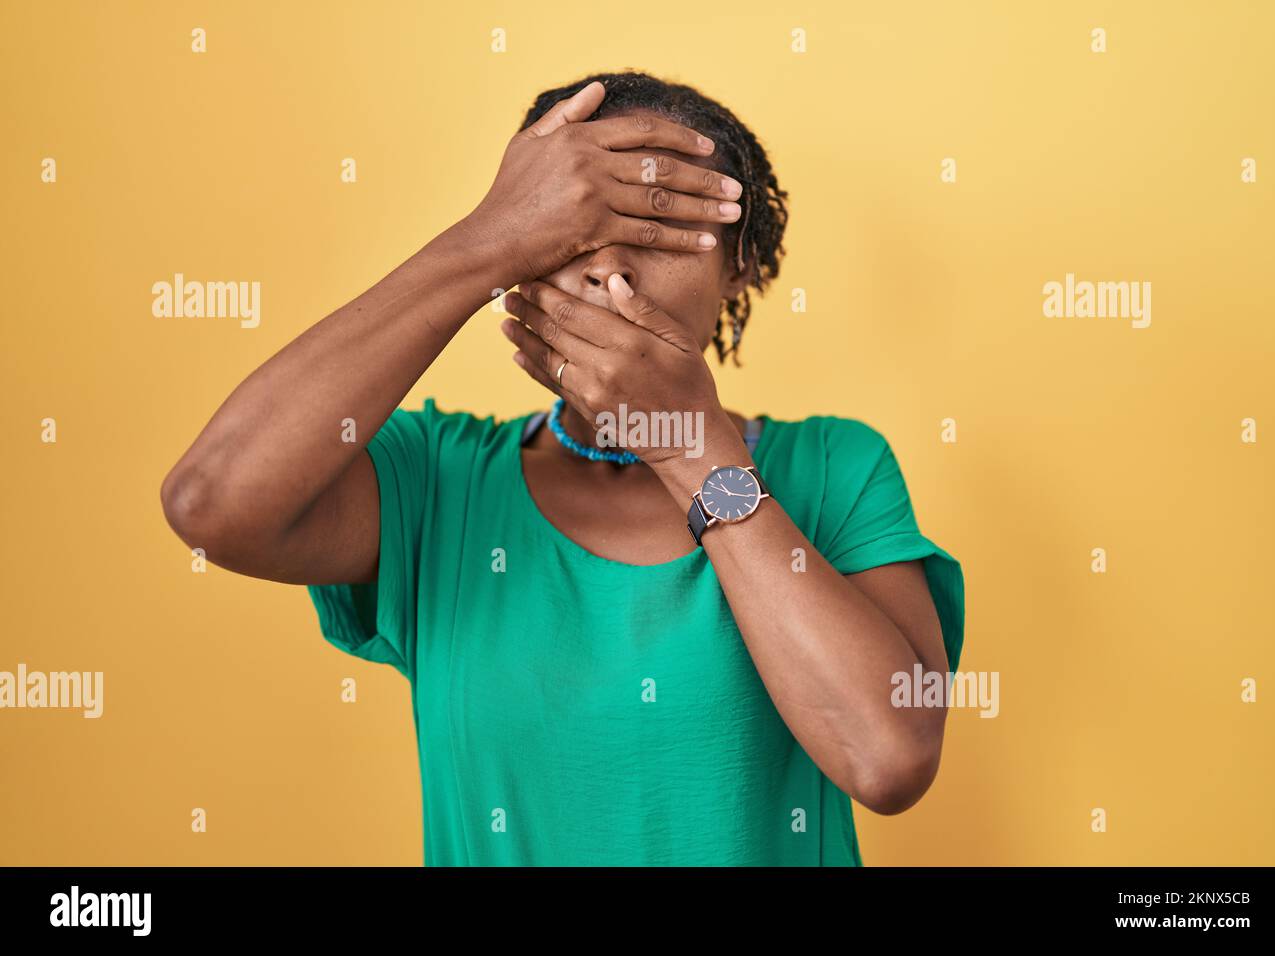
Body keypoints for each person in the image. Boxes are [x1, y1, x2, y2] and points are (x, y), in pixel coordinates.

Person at [160, 71, 965, 866]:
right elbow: (210, 502)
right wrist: (484, 237)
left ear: (739, 266)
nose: (604, 274)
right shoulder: (440, 483)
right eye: (563, 237)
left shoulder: (834, 468)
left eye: (653, 232)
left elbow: (887, 757)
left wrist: (688, 446)